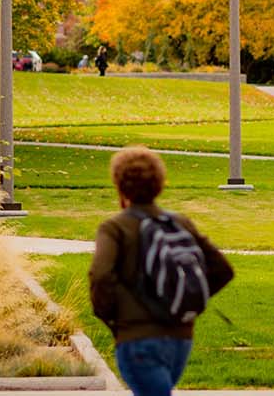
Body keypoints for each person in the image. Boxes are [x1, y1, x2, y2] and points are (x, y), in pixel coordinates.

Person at [89, 147, 234, 396]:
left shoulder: (115, 228)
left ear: (119, 185)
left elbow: (101, 276)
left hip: (137, 340)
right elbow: (222, 270)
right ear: (159, 184)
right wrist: (185, 298)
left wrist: (114, 320)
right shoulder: (179, 223)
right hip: (181, 339)